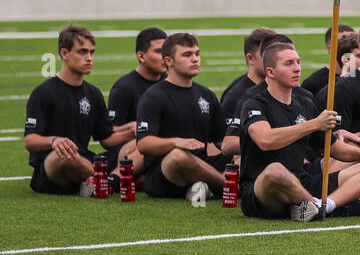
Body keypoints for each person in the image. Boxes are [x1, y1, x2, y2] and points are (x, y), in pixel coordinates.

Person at [237, 41, 360, 221]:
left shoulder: (305, 104)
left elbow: (333, 148)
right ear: (270, 72)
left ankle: (323, 205)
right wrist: (314, 124)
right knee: (276, 171)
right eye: (289, 64)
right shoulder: (254, 104)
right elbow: (266, 140)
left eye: (298, 62)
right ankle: (321, 208)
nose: (297, 68)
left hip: (302, 181)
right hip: (263, 190)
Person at [24, 24, 130, 195]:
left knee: (138, 145)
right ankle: (107, 182)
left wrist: (135, 132)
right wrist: (54, 141)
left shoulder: (93, 93)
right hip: (53, 165)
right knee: (64, 156)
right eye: (82, 52)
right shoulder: (43, 93)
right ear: (64, 53)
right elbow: (29, 141)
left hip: (85, 159)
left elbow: (106, 138)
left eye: (92, 52)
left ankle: (97, 182)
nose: (89, 58)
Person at [134, 33, 228, 199]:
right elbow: (143, 143)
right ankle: (229, 188)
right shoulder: (153, 96)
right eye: (187, 54)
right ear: (169, 61)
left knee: (243, 154)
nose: (195, 59)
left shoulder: (206, 95)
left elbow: (220, 140)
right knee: (179, 156)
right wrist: (176, 142)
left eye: (197, 54)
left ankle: (201, 187)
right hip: (164, 174)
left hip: (201, 163)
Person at [106, 26, 167, 172]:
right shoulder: (124, 88)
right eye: (159, 51)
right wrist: (132, 128)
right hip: (131, 151)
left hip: (163, 145)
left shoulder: (170, 82)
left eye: (167, 51)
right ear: (141, 56)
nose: (165, 56)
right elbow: (108, 133)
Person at [220, 27, 276, 131]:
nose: (275, 60)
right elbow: (224, 142)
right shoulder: (235, 97)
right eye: (267, 54)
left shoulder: (283, 89)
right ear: (250, 58)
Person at [304, 24, 355, 95]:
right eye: (344, 43)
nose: (351, 47)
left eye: (353, 42)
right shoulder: (313, 83)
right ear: (330, 49)